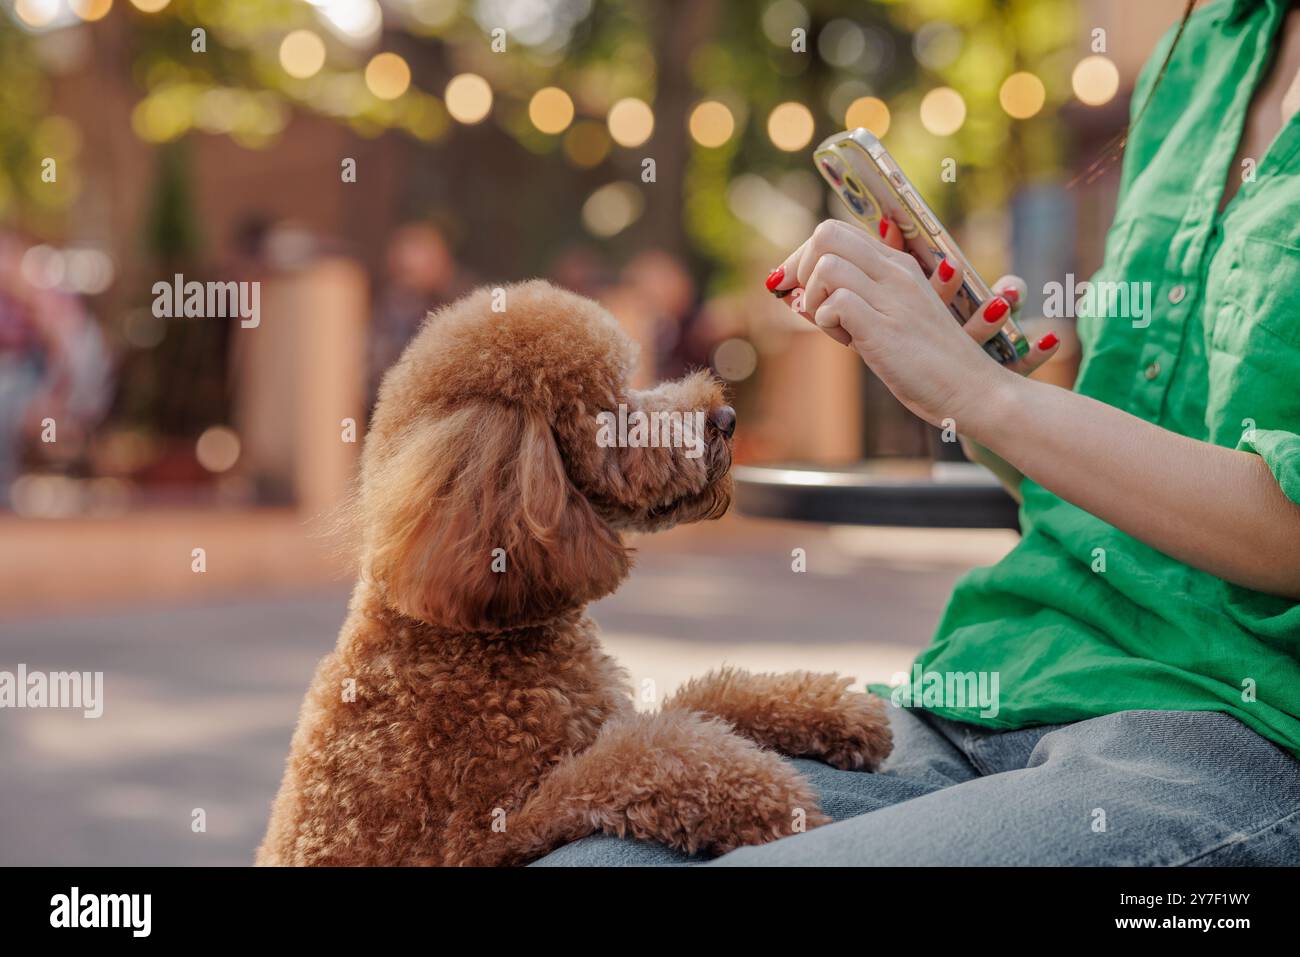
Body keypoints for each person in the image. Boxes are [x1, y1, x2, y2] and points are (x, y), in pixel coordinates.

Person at [535, 0, 1300, 866]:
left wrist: (984, 394)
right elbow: (1115, 491)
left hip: (1230, 733)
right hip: (1000, 678)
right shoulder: (1207, 48)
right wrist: (960, 388)